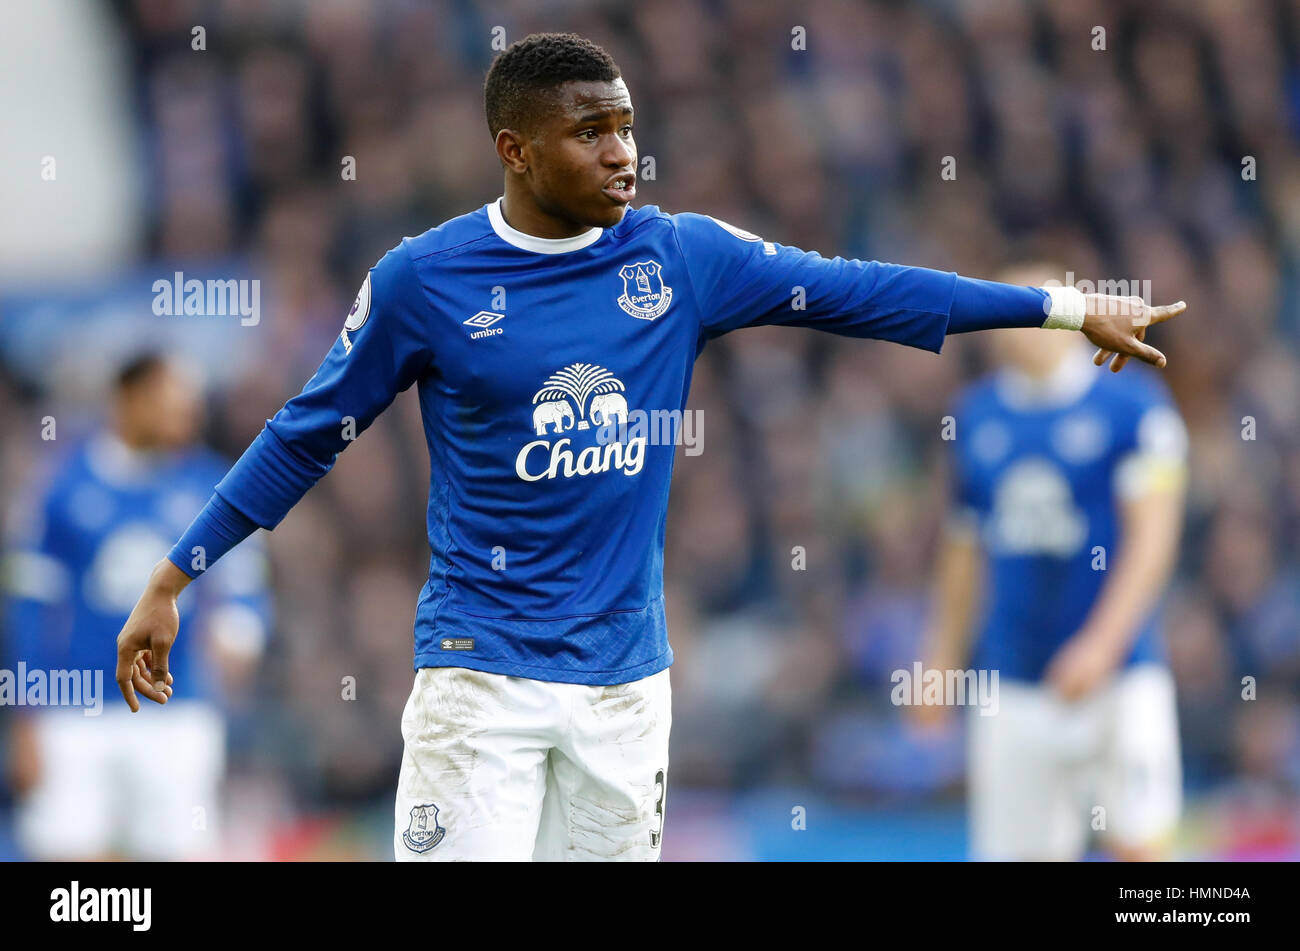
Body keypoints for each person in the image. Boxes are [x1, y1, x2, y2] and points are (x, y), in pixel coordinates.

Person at [114, 33, 1186, 862]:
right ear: (515, 150)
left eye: (626, 127)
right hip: (478, 677)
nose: (622, 151)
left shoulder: (680, 258)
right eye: (589, 132)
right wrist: (175, 575)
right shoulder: (423, 282)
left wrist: (1053, 310)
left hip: (628, 687)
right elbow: (307, 434)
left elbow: (862, 288)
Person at [914, 264, 1188, 860]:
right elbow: (963, 549)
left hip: (1120, 675)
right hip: (1012, 679)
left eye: (1040, 309)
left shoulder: (1132, 406)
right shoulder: (972, 418)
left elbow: (1153, 537)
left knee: (1140, 850)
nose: (1022, 329)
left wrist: (1104, 643)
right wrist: (941, 656)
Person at [4, 353, 269, 859]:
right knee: (68, 858)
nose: (187, 419)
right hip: (79, 707)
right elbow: (31, 610)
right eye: (173, 406)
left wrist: (242, 628)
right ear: (129, 399)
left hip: (177, 704)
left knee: (178, 848)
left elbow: (245, 579)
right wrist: (26, 717)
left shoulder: (209, 485)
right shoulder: (60, 489)